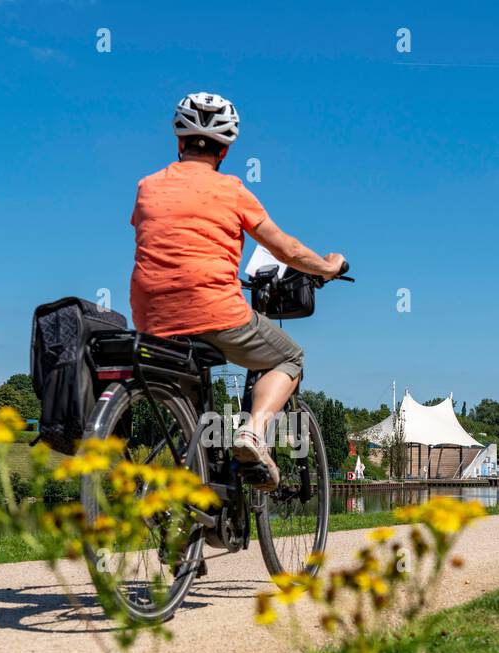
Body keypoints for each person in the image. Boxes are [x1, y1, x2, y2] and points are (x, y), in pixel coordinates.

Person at [129, 91, 346, 489]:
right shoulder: (232, 190)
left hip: (152, 320)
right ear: (225, 150)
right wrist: (328, 266)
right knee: (290, 356)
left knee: (192, 408)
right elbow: (288, 249)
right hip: (215, 311)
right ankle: (253, 432)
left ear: (179, 142)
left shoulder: (147, 187)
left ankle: (192, 492)